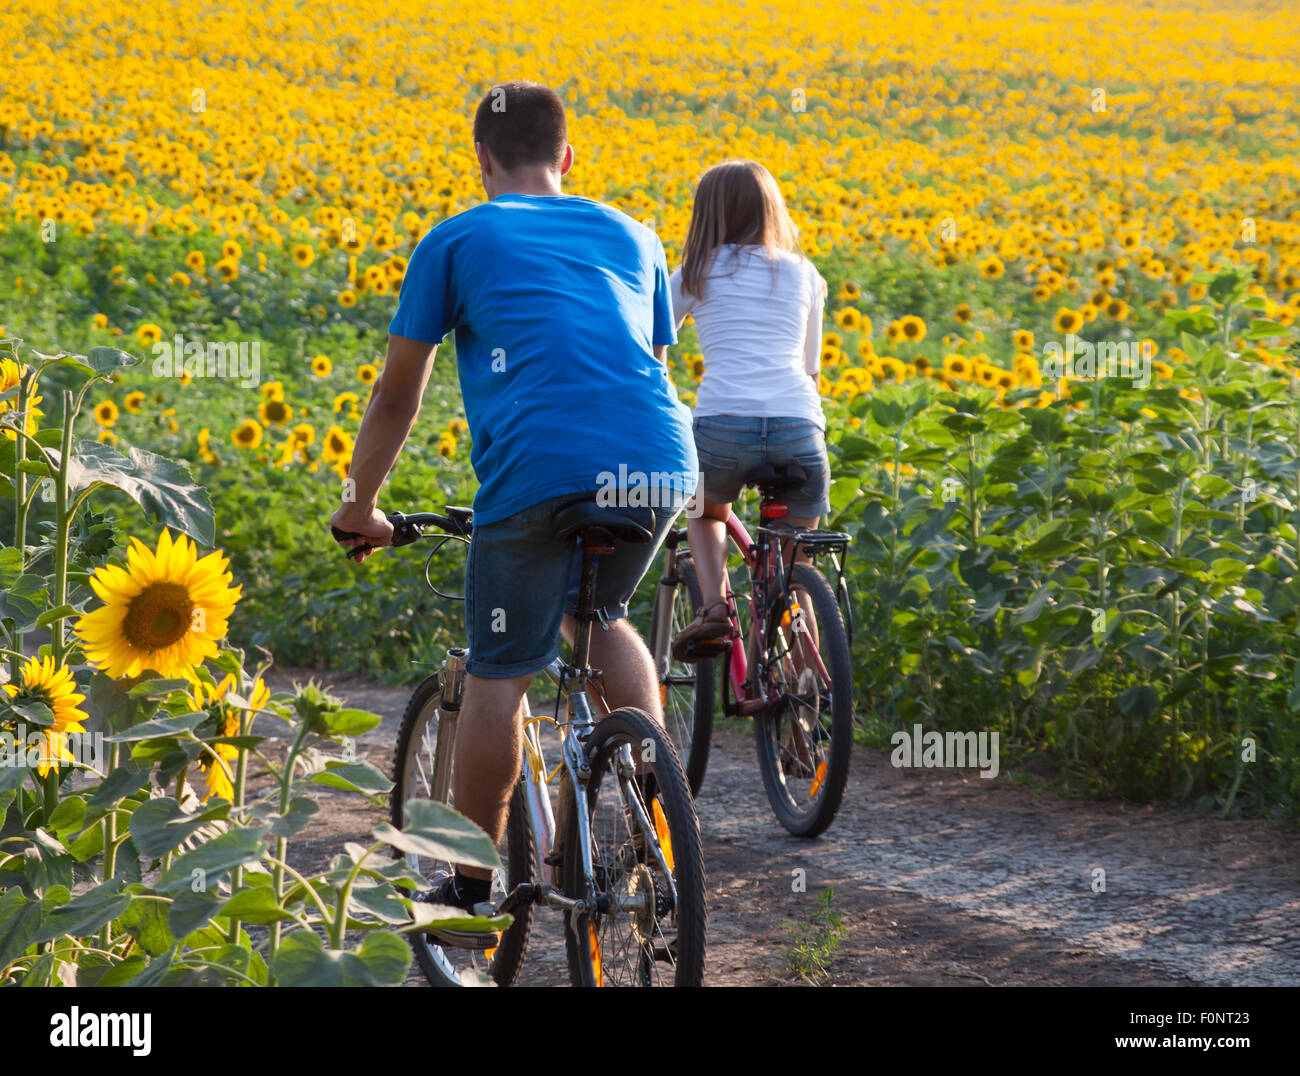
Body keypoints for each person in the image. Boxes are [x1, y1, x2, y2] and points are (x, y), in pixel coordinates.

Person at [329, 81, 696, 941]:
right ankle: (645, 804)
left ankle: (463, 893)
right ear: (568, 156)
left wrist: (362, 505)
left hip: (540, 470)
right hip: (660, 461)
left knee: (500, 673)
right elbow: (637, 364)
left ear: (482, 160)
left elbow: (396, 395)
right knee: (599, 612)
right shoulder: (634, 234)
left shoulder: (457, 237)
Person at [666, 159, 830, 660]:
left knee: (704, 509)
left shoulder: (695, 271)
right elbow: (812, 371)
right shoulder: (806, 274)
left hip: (723, 425)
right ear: (771, 209)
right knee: (794, 578)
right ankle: (804, 692)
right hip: (799, 426)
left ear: (706, 214)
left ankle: (715, 607)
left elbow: (653, 344)